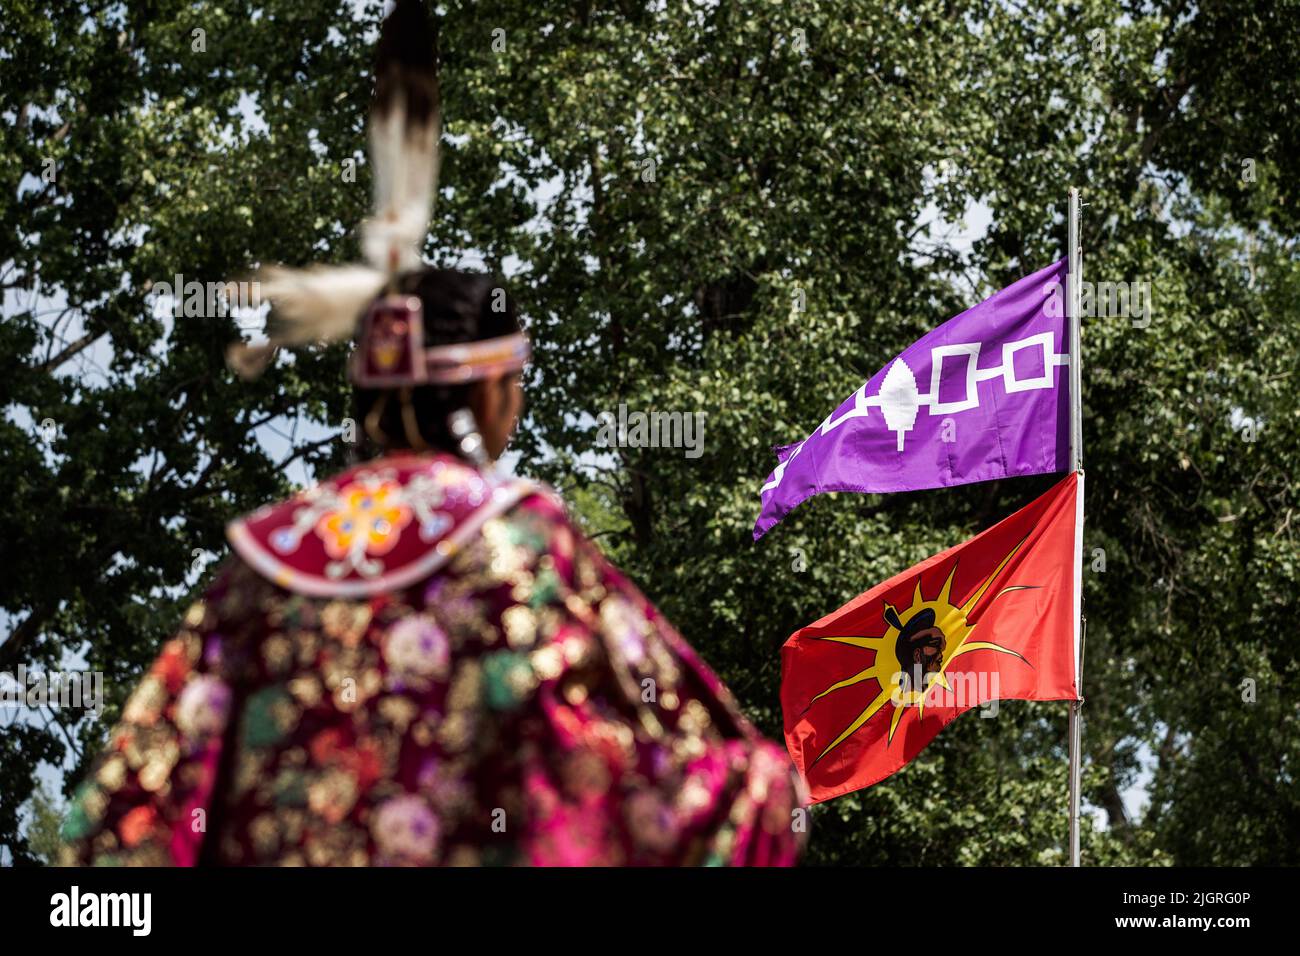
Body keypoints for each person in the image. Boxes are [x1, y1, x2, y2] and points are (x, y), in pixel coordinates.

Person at [60, 0, 803, 867]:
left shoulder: (259, 565)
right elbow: (656, 784)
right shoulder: (517, 546)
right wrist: (770, 790)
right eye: (516, 382)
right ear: (485, 391)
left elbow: (125, 823)